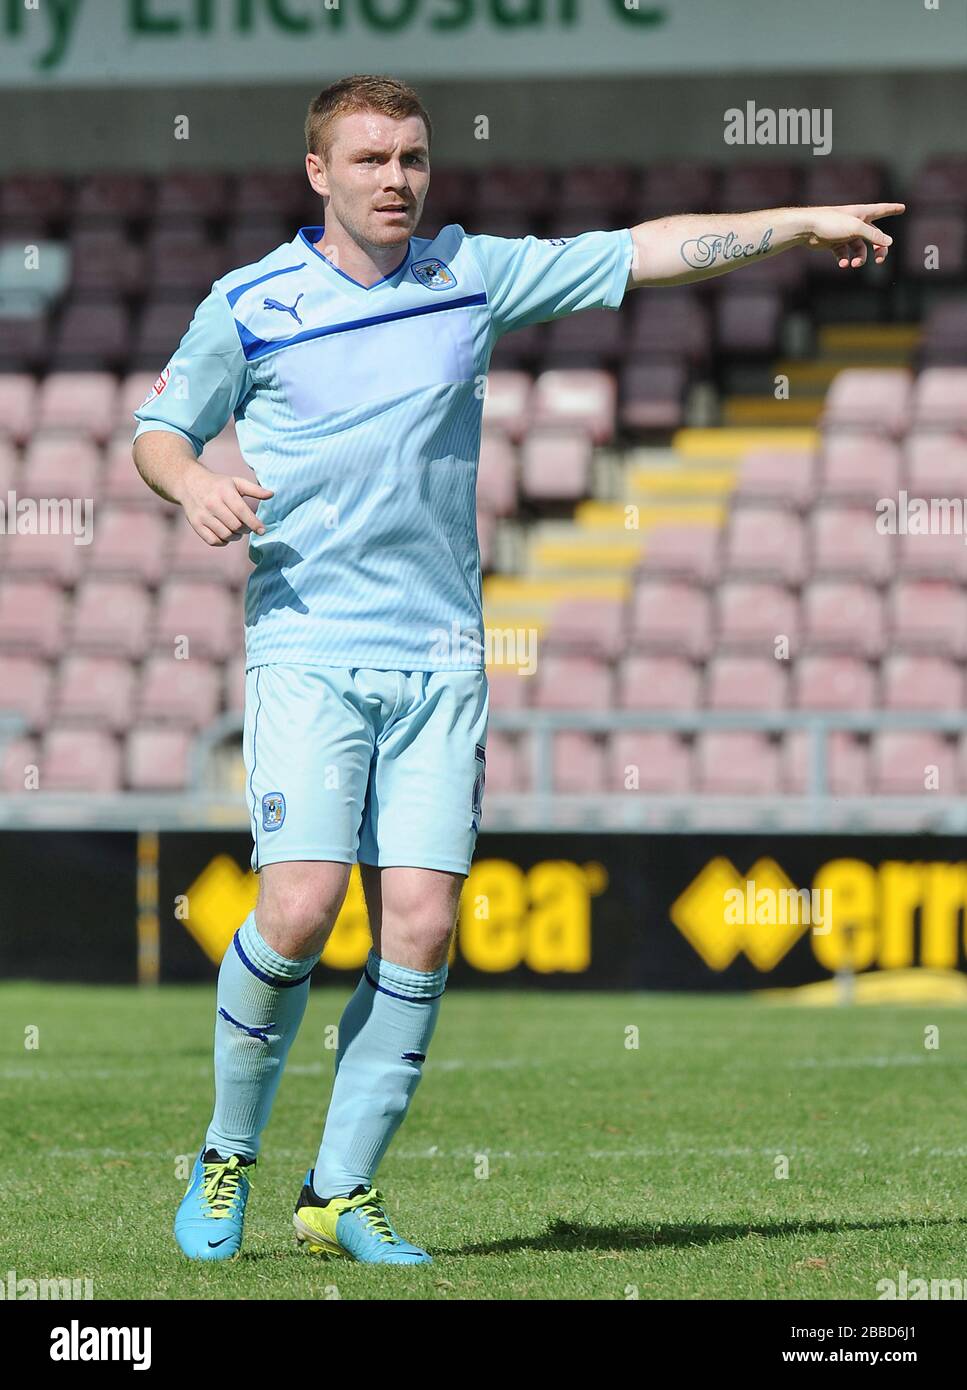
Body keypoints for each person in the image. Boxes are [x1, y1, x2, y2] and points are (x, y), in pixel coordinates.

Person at [133, 72, 904, 1265]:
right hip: (309, 646)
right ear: (318, 175)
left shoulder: (470, 275)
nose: (398, 179)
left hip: (442, 653)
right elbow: (158, 432)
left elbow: (645, 252)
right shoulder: (249, 304)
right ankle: (228, 1150)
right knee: (294, 906)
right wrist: (192, 484)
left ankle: (338, 1192)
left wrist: (794, 224)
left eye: (413, 157)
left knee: (425, 930)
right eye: (373, 159)